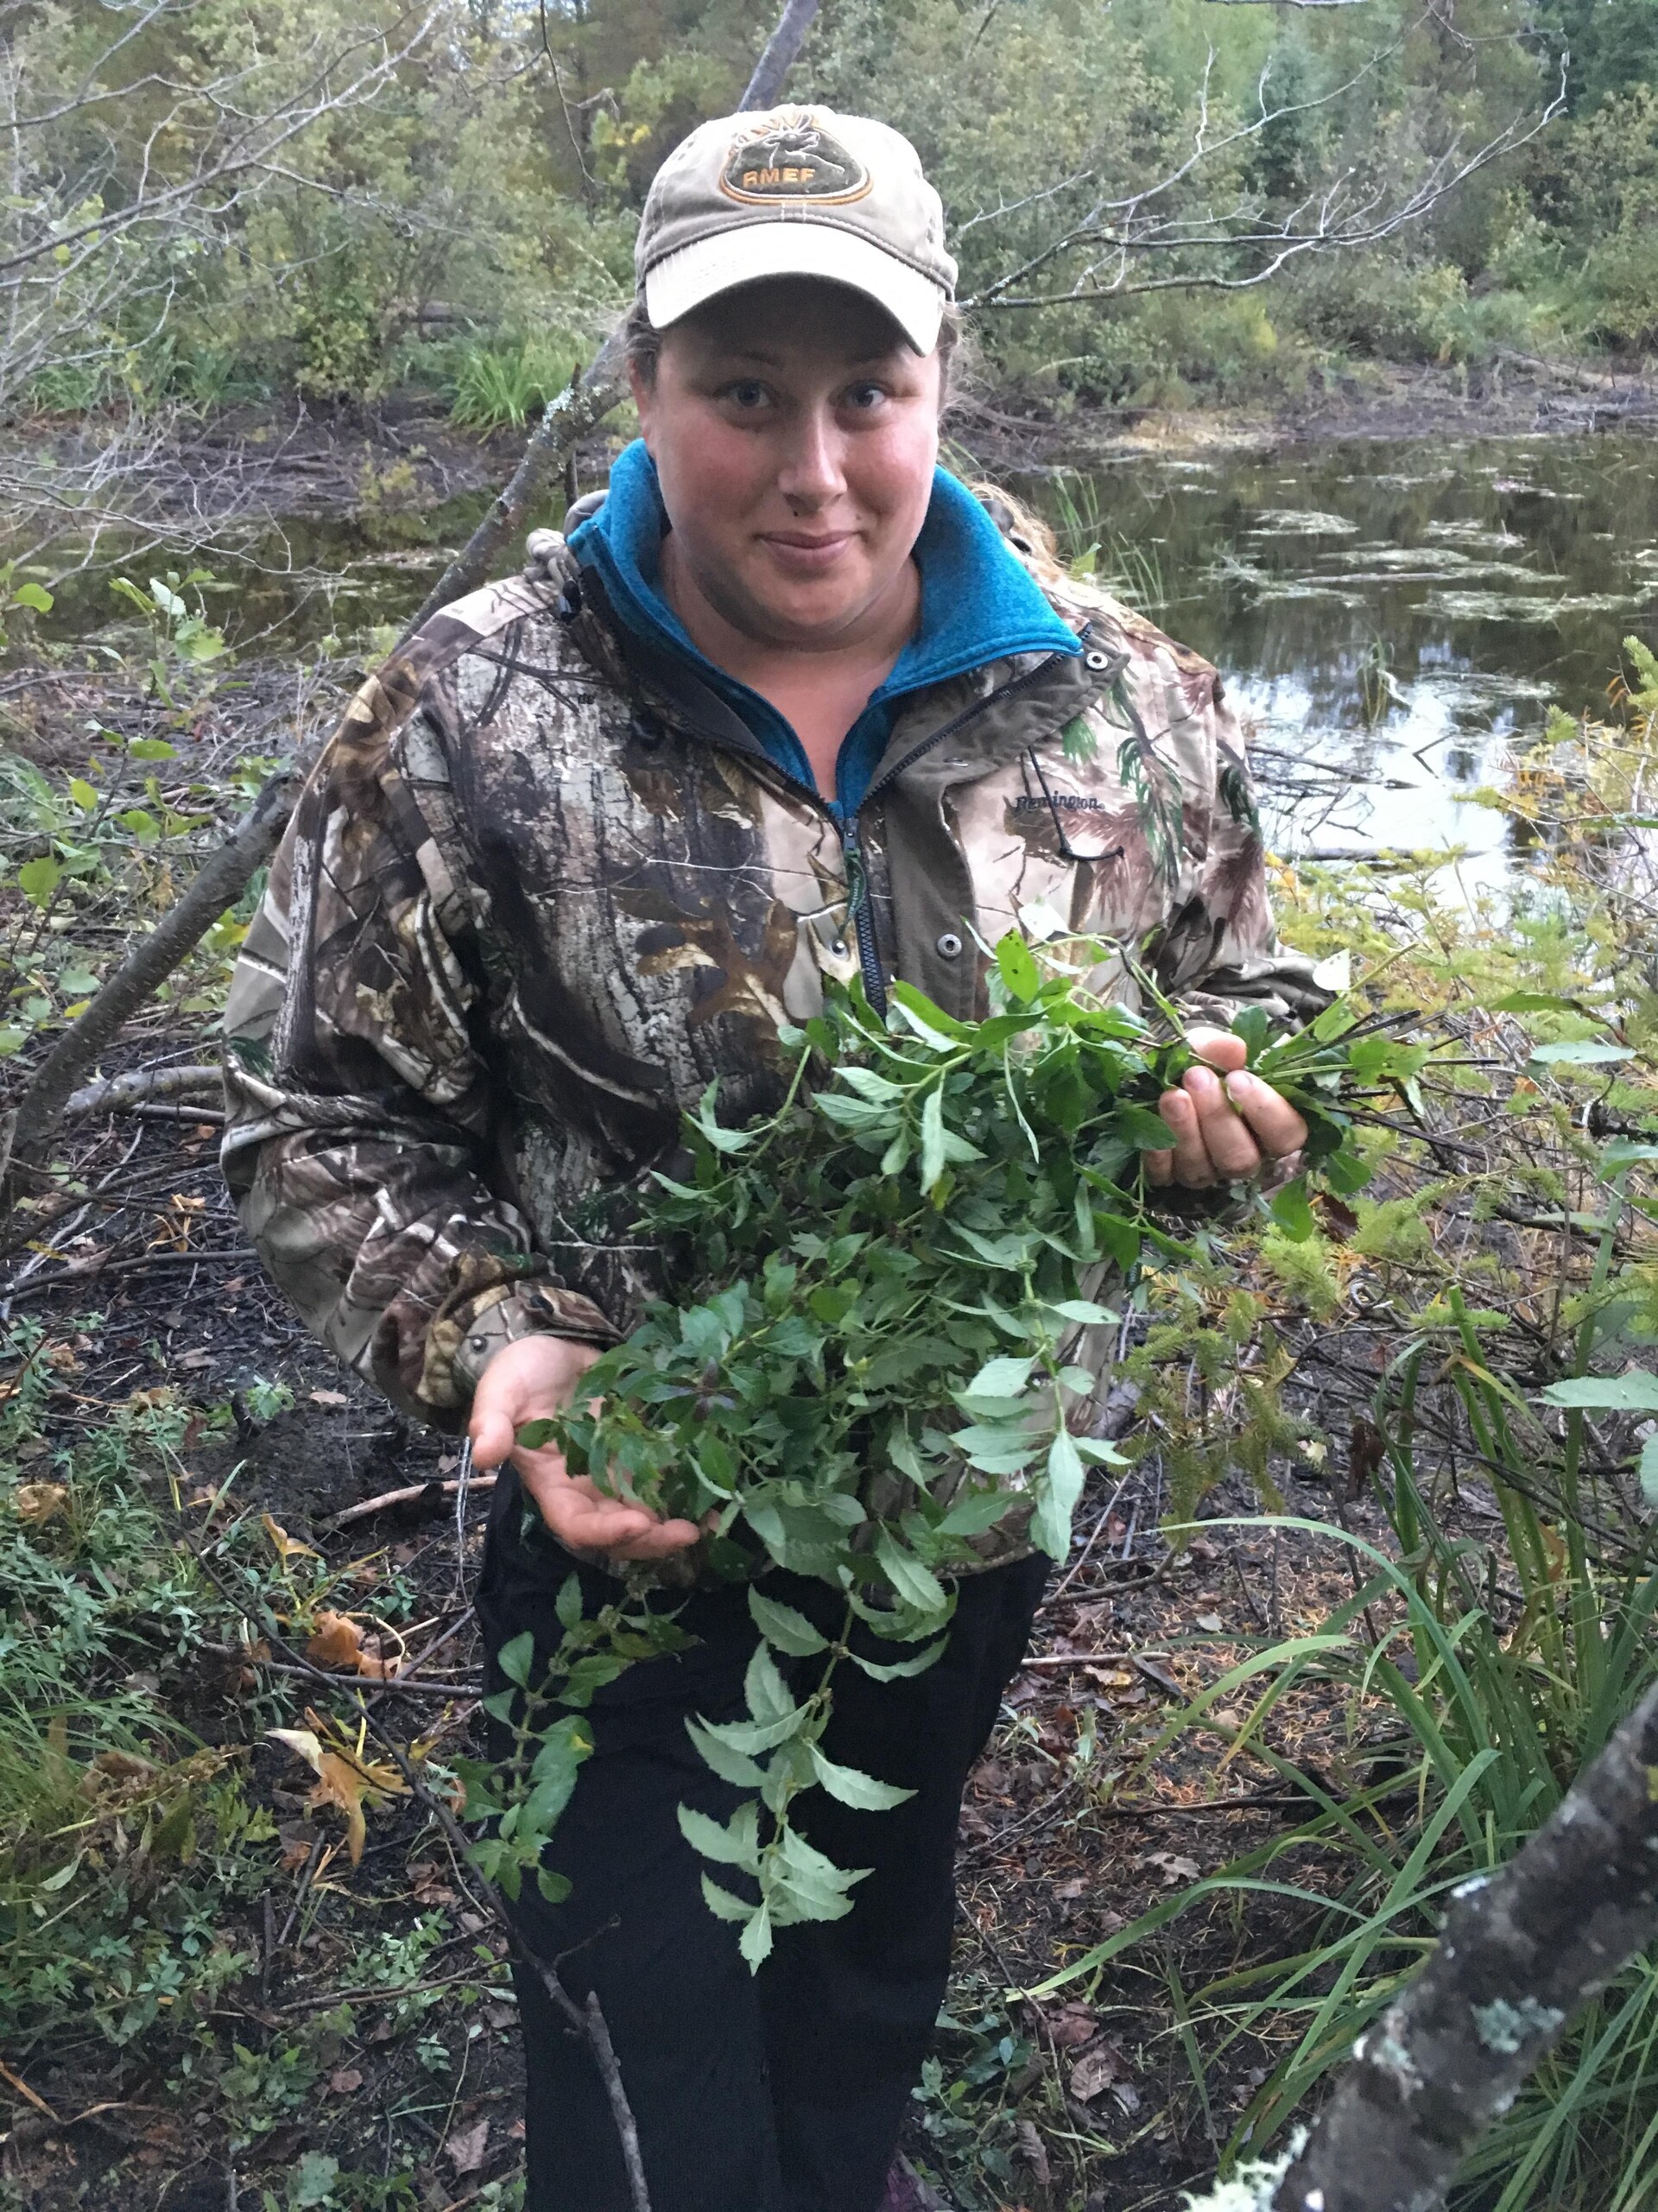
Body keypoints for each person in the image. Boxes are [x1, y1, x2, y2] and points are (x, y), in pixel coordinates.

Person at [222, 102, 1325, 2212]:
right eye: (743, 395)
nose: (814, 471)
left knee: (864, 1966)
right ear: (643, 382)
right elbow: (310, 1112)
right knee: (647, 2098)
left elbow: (1258, 992)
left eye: (866, 394)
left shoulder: (1122, 698)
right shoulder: (471, 710)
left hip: (964, 1526)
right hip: (626, 1517)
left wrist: (1230, 1105)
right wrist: (499, 1338)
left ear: (940, 381)